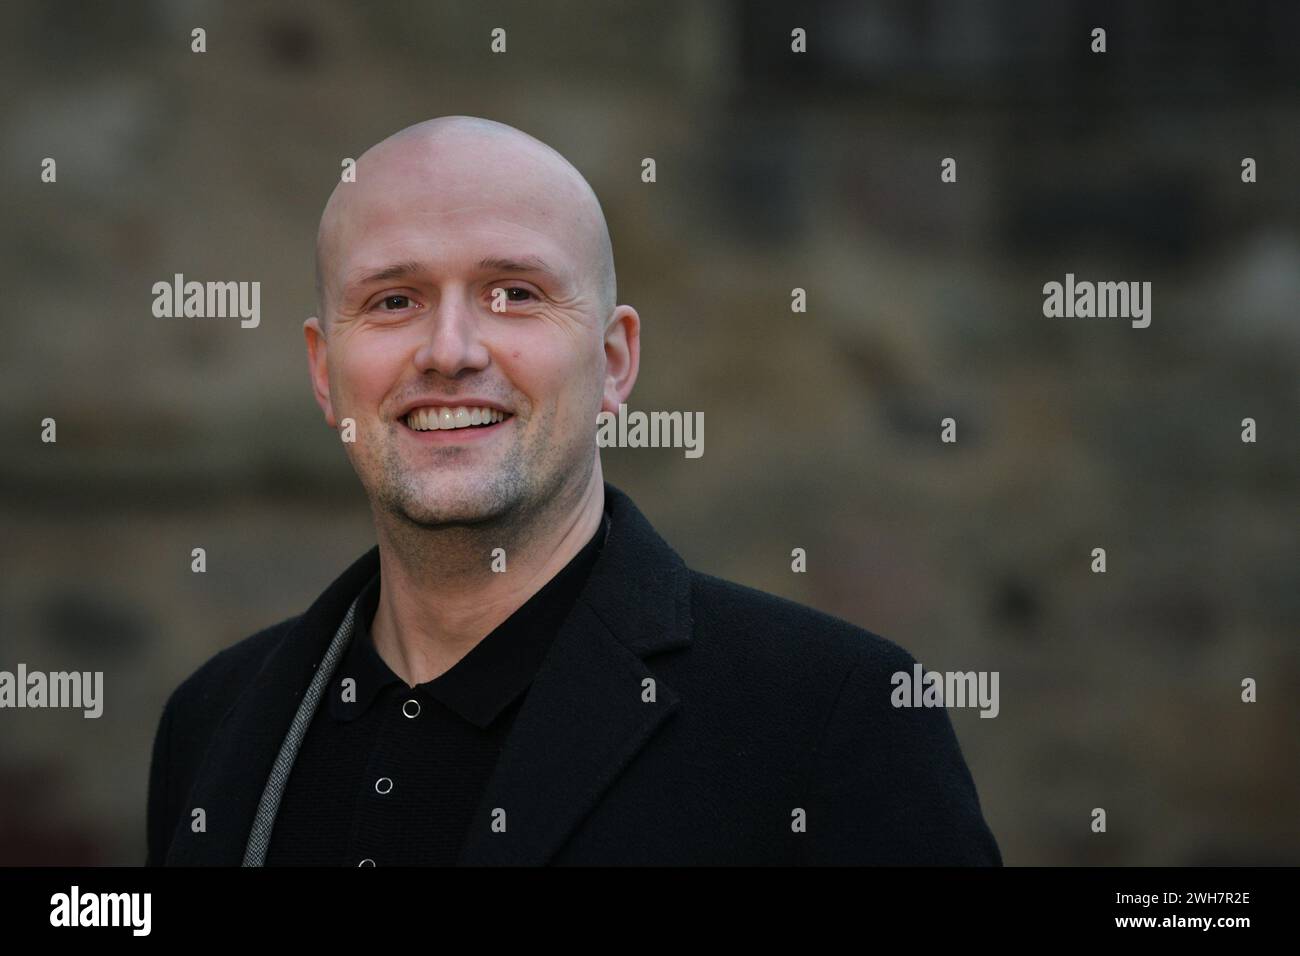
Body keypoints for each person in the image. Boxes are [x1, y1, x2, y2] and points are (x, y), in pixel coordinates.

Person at [146, 115, 1002, 866]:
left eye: (514, 294)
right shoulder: (216, 721)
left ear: (614, 362)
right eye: (394, 298)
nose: (450, 351)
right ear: (324, 371)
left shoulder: (832, 718)